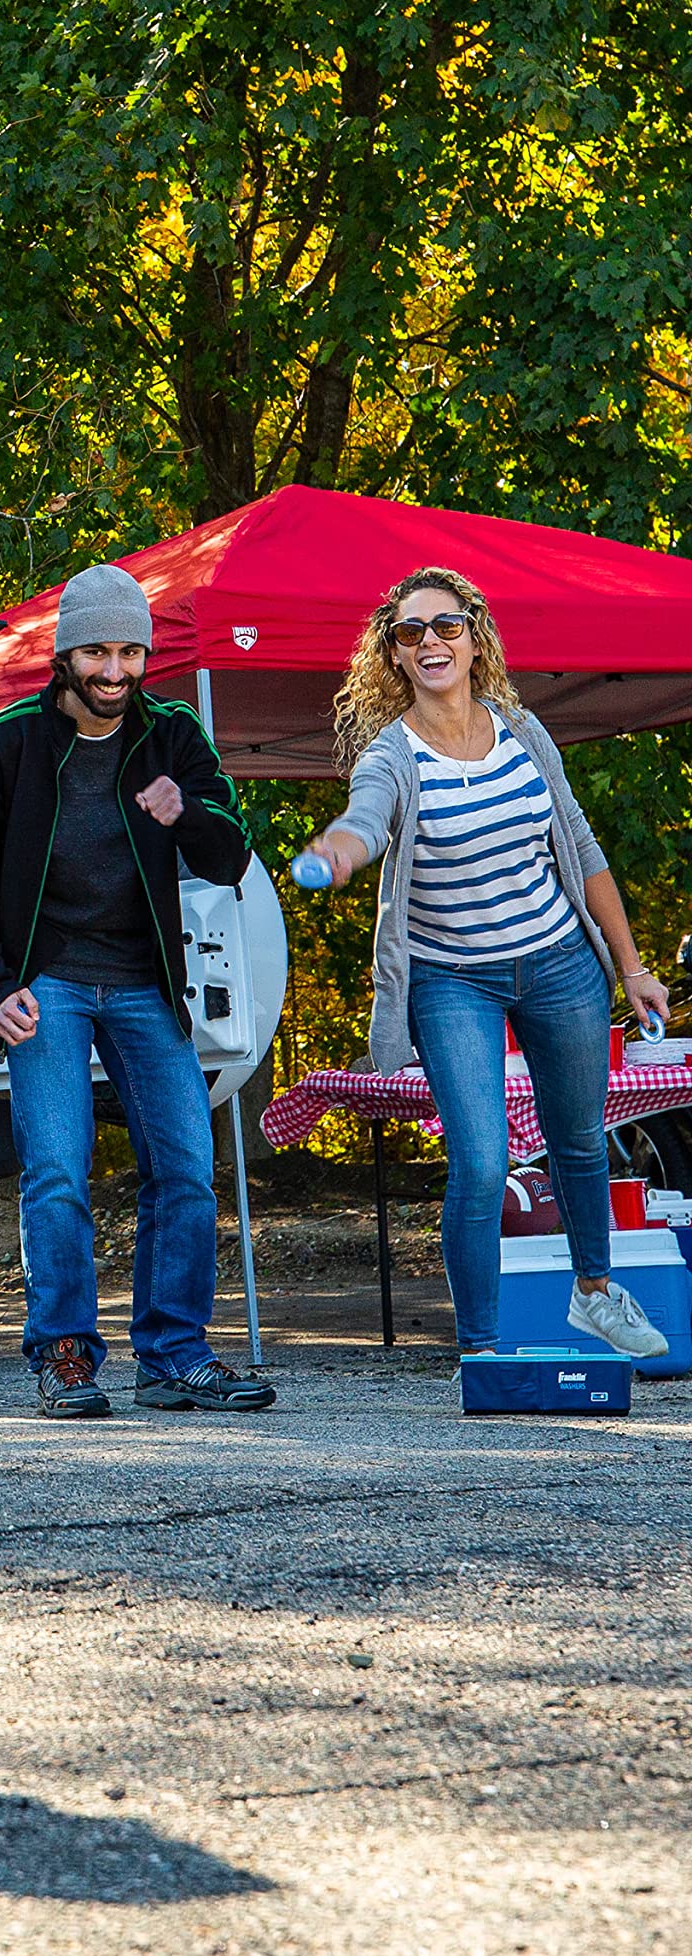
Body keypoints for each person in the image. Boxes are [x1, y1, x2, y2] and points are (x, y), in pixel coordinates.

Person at [300, 567, 672, 1363]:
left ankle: (594, 1295)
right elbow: (366, 819)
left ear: (474, 638)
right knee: (480, 1158)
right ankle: (482, 1351)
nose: (430, 641)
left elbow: (577, 844)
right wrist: (340, 849)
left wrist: (632, 966)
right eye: (410, 632)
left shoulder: (524, 731)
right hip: (450, 979)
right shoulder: (391, 758)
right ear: (393, 656)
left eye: (446, 626)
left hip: (559, 962)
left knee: (578, 1141)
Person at [0, 564, 275, 1419]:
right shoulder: (4, 742)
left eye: (128, 651)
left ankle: (173, 1357)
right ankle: (65, 1358)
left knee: (186, 1168)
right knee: (57, 1171)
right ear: (65, 655)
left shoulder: (173, 737)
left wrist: (182, 814)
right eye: (96, 651)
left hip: (142, 984)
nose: (114, 669)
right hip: (45, 984)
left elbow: (229, 856)